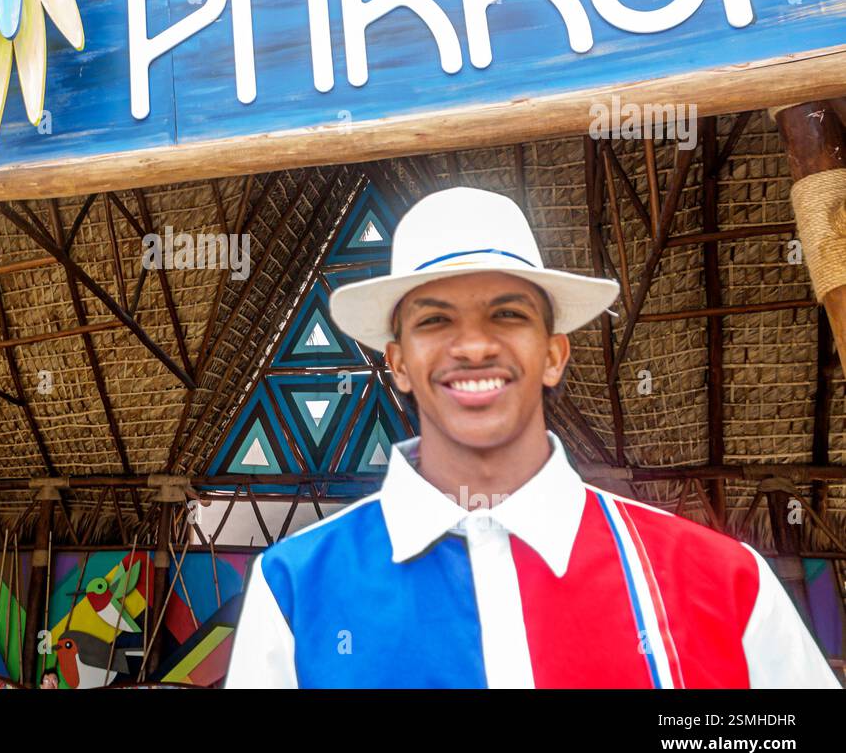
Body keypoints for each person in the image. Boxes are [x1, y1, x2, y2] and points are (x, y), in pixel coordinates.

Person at [224, 187, 841, 689]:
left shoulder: (722, 583)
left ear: (553, 354)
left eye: (508, 313)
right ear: (398, 365)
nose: (472, 346)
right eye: (435, 319)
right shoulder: (296, 591)